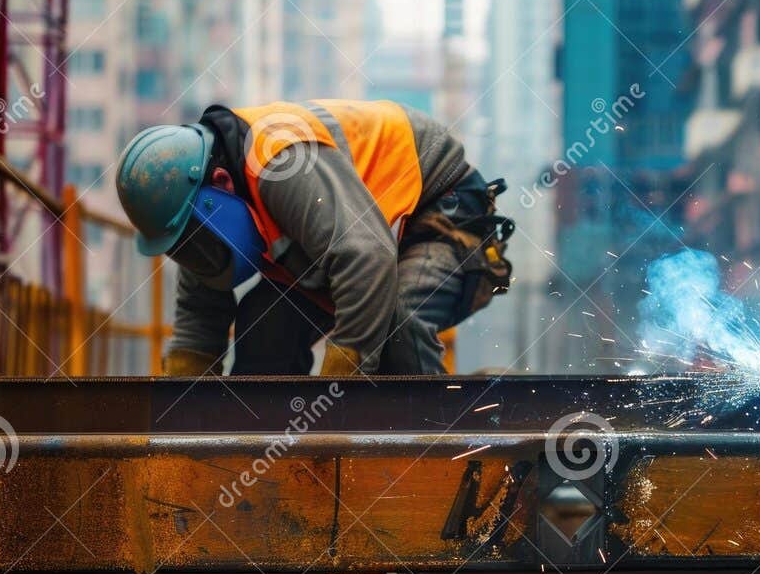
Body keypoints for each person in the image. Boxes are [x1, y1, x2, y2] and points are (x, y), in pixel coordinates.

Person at [116, 99, 512, 376]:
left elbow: (367, 258)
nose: (196, 257)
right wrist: (183, 432)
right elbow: (198, 324)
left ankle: (440, 457)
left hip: (441, 206)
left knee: (397, 319)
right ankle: (276, 477)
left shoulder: (279, 160)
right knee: (265, 332)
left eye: (193, 243)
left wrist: (341, 391)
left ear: (220, 183)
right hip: (346, 247)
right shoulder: (199, 215)